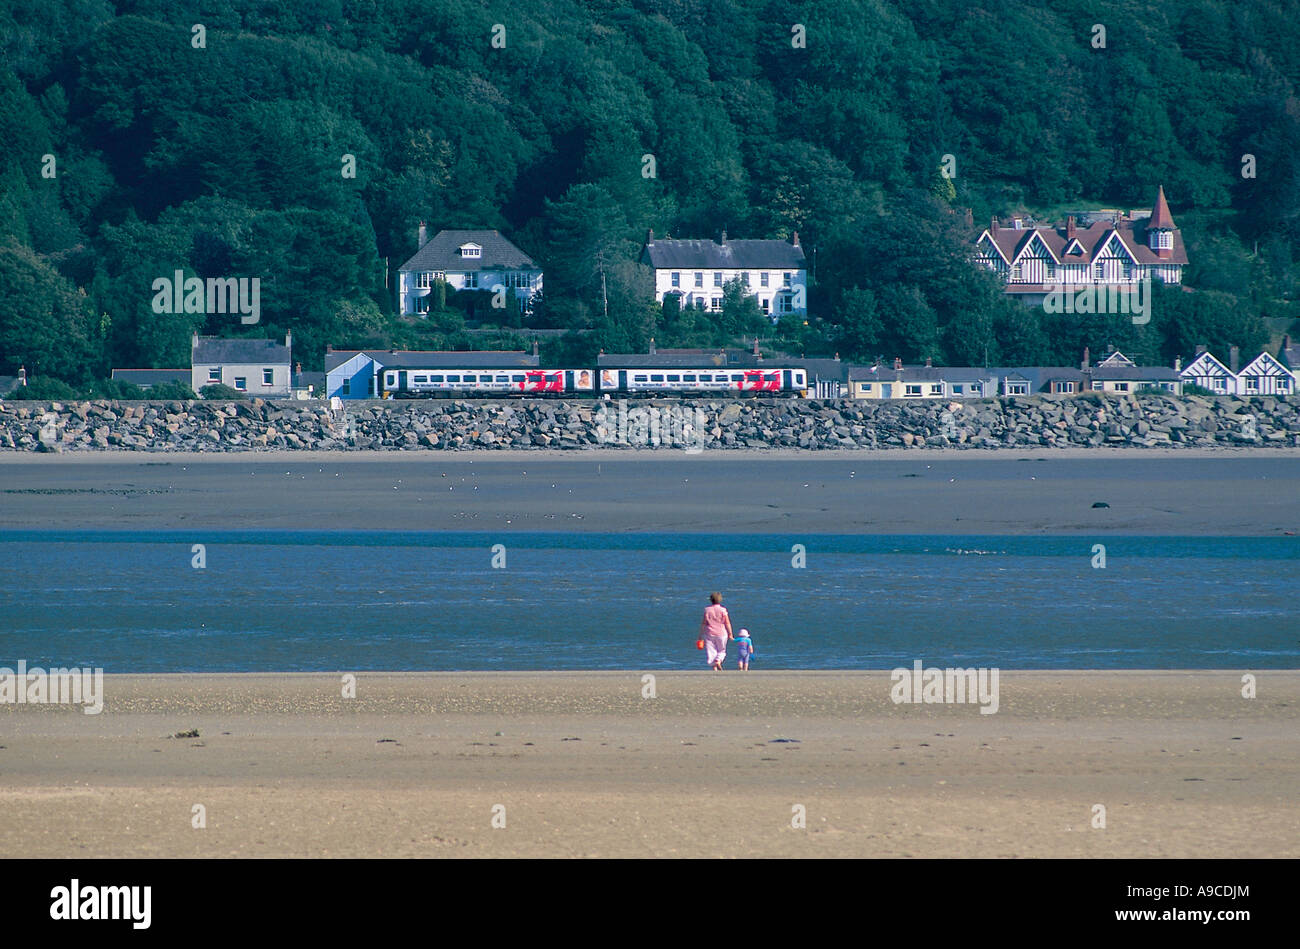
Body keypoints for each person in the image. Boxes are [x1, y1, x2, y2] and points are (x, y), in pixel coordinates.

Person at [699, 592, 733, 671]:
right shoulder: (723, 610)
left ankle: (714, 667)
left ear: (711, 600)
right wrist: (730, 634)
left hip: (709, 633)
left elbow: (704, 624)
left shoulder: (707, 610)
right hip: (721, 633)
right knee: (722, 650)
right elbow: (727, 623)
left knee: (711, 651)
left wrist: (700, 635)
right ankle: (718, 660)